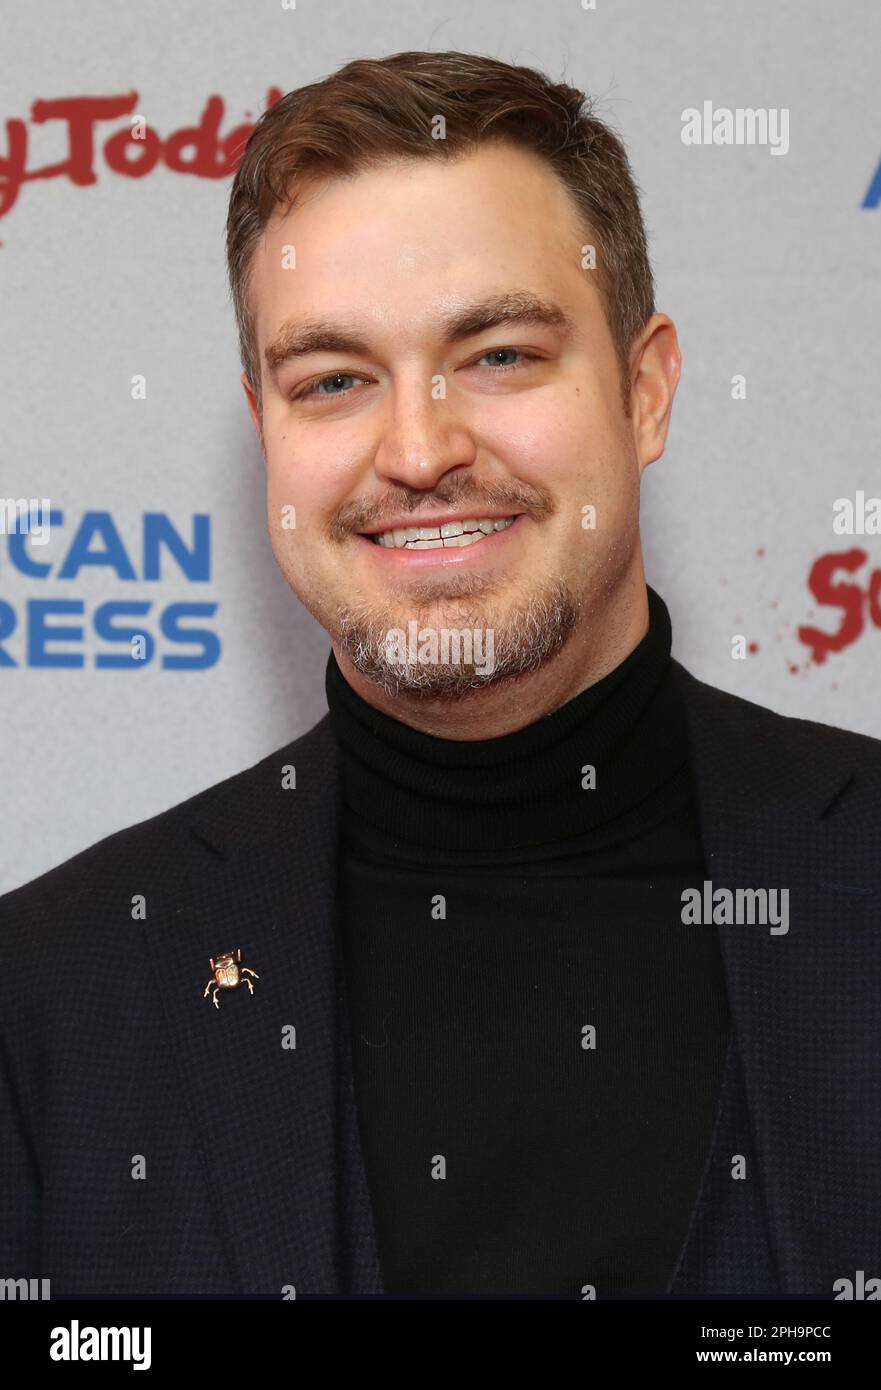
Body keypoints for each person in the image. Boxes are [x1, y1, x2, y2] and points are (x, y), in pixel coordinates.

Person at [2, 50, 879, 1299]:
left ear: (642, 391)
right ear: (267, 431)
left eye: (500, 355)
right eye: (336, 381)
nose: (416, 451)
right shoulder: (51, 994)